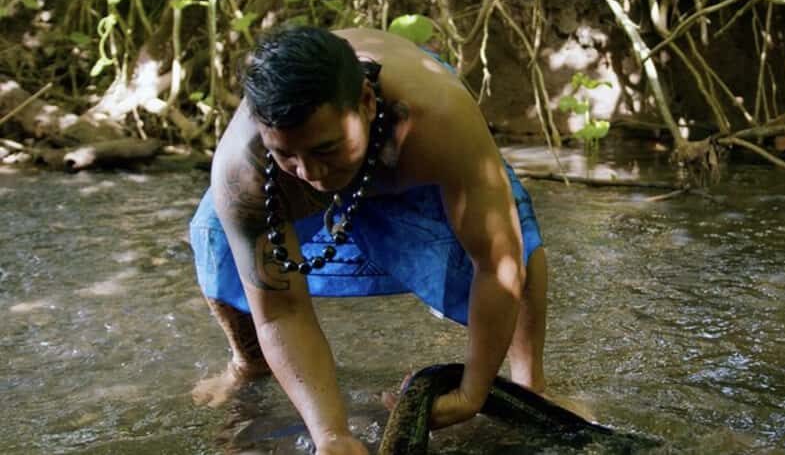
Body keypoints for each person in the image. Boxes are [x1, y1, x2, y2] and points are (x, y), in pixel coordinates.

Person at [189, 25, 550, 455]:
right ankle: (247, 364)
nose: (310, 173)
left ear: (366, 102)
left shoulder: (439, 120)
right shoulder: (242, 170)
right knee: (217, 241)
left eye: (325, 149)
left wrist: (473, 391)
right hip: (276, 189)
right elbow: (279, 311)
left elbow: (498, 263)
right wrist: (331, 434)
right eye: (287, 155)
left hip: (405, 153)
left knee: (521, 251)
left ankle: (533, 389)